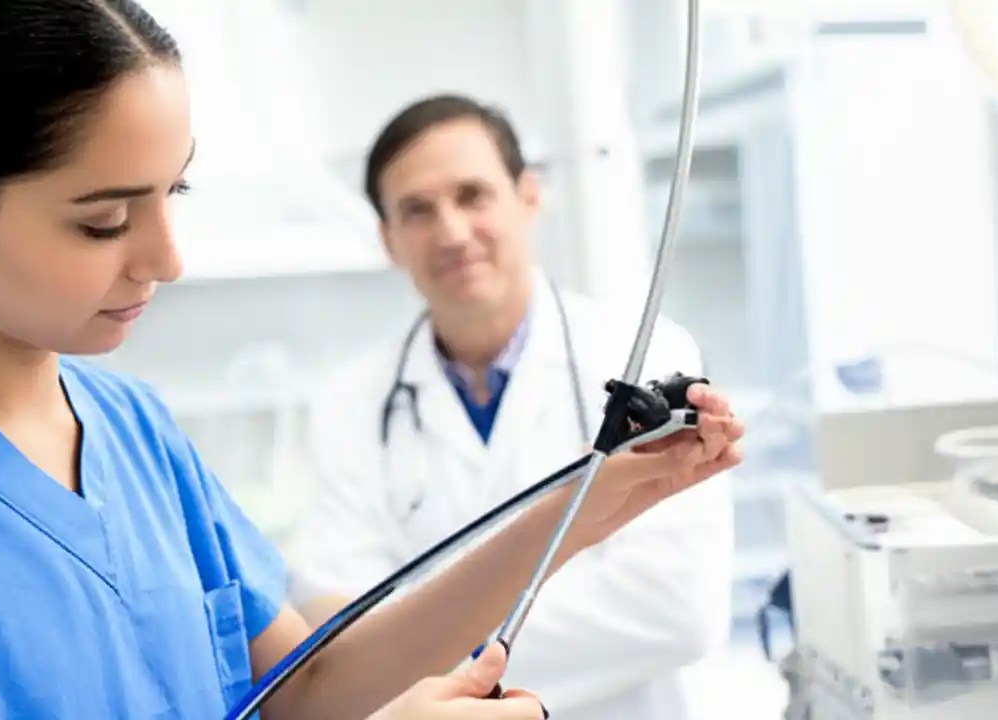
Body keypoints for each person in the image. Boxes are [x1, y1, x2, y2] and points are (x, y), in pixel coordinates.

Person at [0, 3, 742, 719]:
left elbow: (302, 686)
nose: (166, 259)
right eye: (102, 221)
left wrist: (581, 513)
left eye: (172, 195)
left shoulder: (127, 426)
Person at [287, 94, 740, 719]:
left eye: (472, 195)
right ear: (388, 240)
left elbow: (677, 608)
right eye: (417, 211)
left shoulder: (646, 356)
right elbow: (333, 620)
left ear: (529, 196)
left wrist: (413, 646)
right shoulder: (348, 404)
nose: (451, 232)